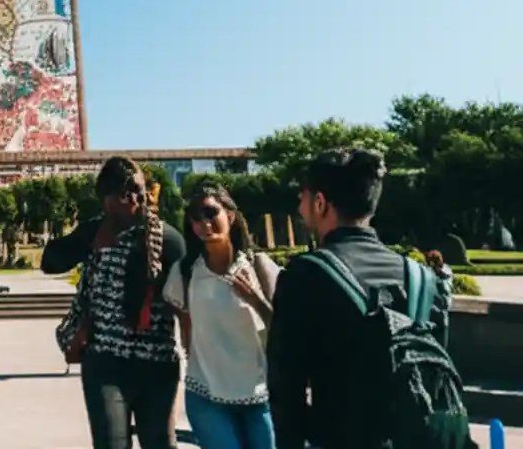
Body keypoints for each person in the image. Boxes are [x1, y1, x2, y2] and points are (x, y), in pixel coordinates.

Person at [267, 148, 460, 449]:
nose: (299, 205)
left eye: (302, 196)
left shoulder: (305, 276)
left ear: (320, 203)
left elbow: (286, 388)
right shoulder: (422, 277)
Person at [51, 156, 187, 449]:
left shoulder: (166, 239)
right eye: (126, 193)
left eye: (140, 190)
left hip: (157, 364)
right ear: (106, 199)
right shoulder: (94, 232)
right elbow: (50, 261)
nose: (136, 199)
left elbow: (186, 301)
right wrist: (90, 239)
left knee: (160, 443)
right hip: (106, 364)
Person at [163, 181, 280, 449]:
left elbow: (283, 327)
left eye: (210, 213)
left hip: (259, 394)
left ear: (230, 215)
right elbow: (185, 330)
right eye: (195, 218)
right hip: (206, 393)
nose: (204, 223)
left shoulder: (258, 266)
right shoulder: (185, 273)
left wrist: (255, 300)